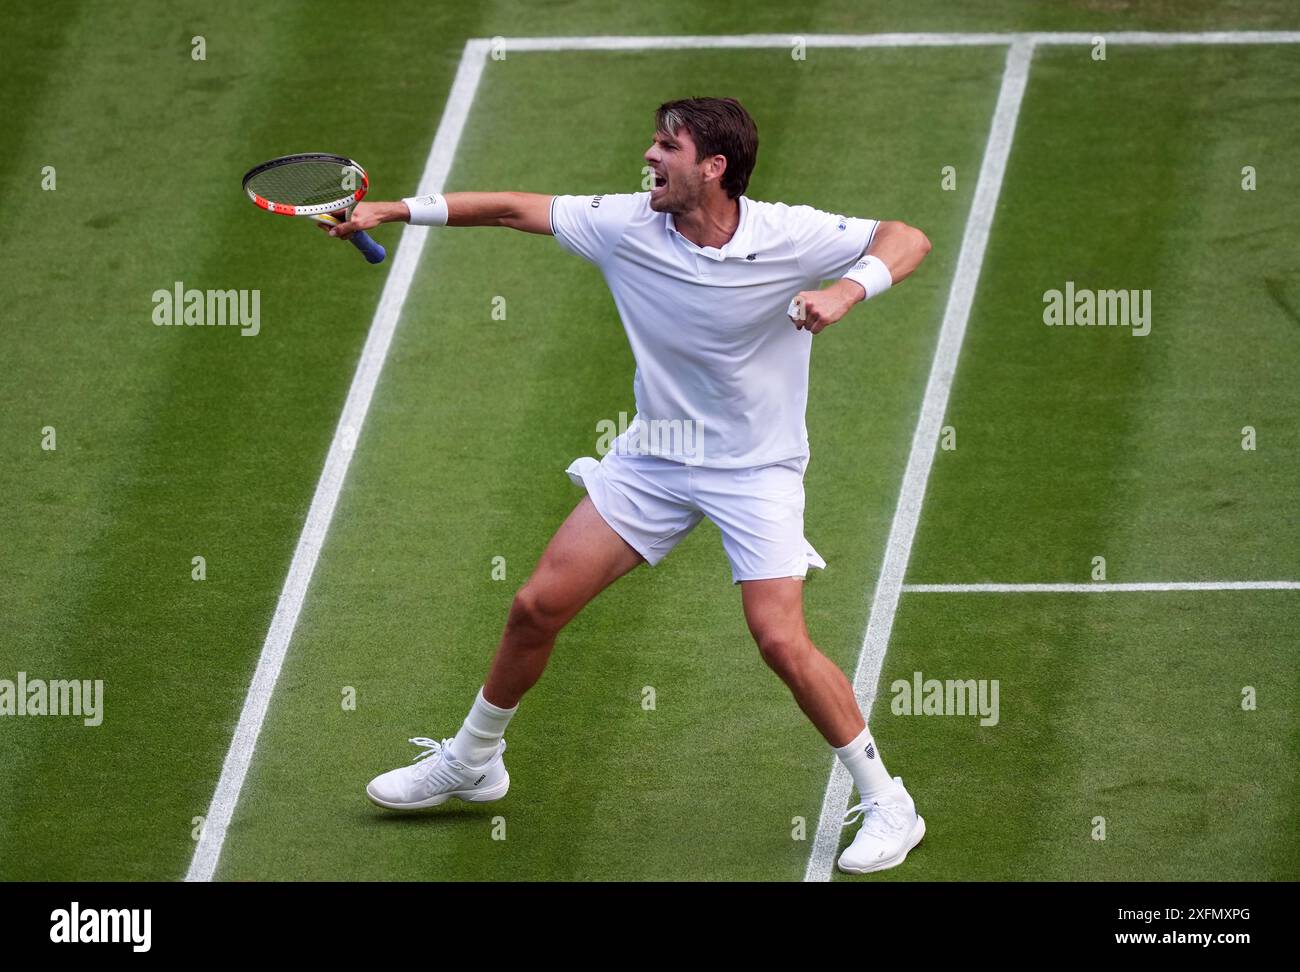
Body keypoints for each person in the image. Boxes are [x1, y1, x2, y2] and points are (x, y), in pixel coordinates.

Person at [328, 97, 932, 874]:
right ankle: (474, 760)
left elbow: (906, 237)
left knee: (779, 638)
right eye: (654, 142)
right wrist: (391, 207)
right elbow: (513, 209)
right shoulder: (624, 222)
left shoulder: (789, 233)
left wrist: (847, 292)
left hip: (756, 468)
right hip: (658, 454)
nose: (649, 157)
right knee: (535, 607)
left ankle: (890, 803)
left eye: (667, 147)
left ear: (713, 168)